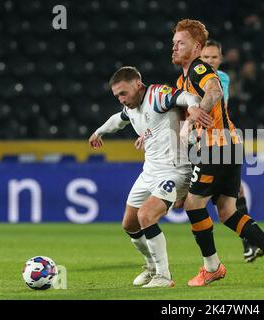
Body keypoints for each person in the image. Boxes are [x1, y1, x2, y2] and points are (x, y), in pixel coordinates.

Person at [172, 19, 264, 287]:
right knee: (227, 211)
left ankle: (212, 267)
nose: (174, 47)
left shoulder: (198, 68)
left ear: (196, 47)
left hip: (216, 147)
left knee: (193, 205)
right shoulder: (183, 77)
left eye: (181, 43)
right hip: (229, 144)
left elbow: (214, 90)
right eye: (173, 43)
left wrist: (195, 118)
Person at [88, 66, 212, 288]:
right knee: (129, 224)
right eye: (117, 96)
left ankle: (163, 276)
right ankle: (151, 266)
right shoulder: (131, 108)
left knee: (146, 215)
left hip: (175, 170)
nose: (121, 99)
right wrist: (99, 132)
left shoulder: (157, 95)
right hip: (149, 172)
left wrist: (193, 108)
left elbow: (187, 96)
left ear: (138, 84)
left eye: (123, 93)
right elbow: (119, 119)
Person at [201, 39, 264, 263]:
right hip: (199, 141)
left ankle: (248, 244)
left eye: (214, 57)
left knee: (234, 194)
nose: (210, 61)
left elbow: (219, 103)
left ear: (221, 58)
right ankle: (252, 242)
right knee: (207, 200)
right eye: (206, 57)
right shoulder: (191, 79)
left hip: (222, 138)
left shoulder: (222, 79)